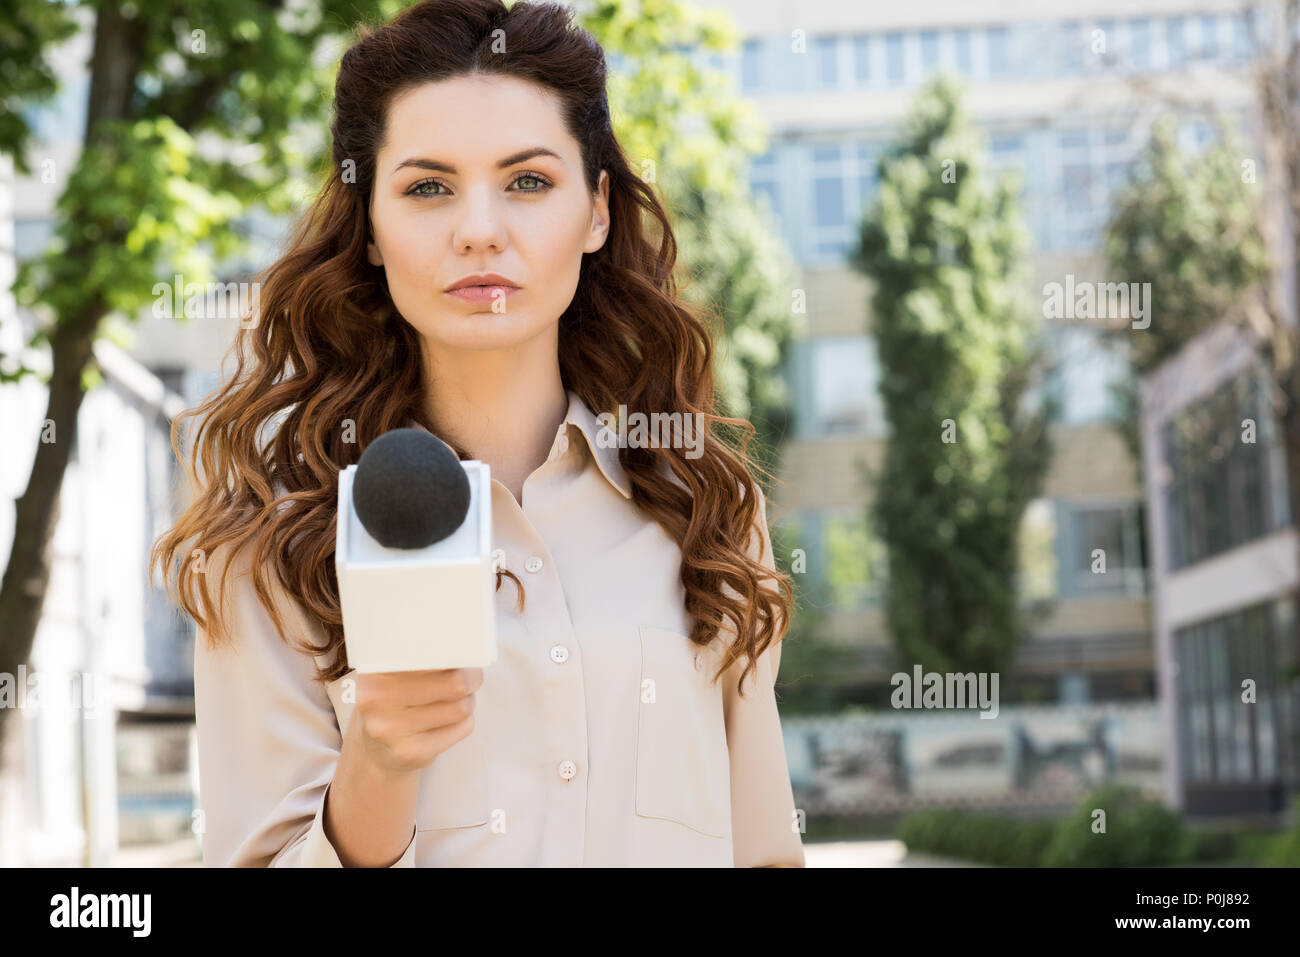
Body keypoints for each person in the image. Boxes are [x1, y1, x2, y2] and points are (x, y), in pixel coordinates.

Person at [151, 0, 804, 868]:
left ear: (598, 211)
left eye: (528, 181)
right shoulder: (271, 543)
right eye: (428, 187)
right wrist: (378, 762)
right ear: (372, 227)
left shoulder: (709, 514)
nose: (481, 230)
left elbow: (764, 853)